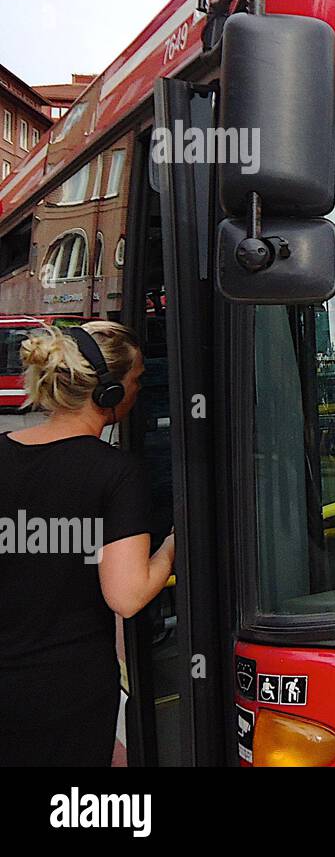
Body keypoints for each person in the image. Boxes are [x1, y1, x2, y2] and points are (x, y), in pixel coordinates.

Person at [0, 322, 174, 767]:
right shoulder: (115, 473)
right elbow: (128, 595)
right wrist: (173, 546)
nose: (138, 392)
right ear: (110, 394)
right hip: (68, 692)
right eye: (137, 381)